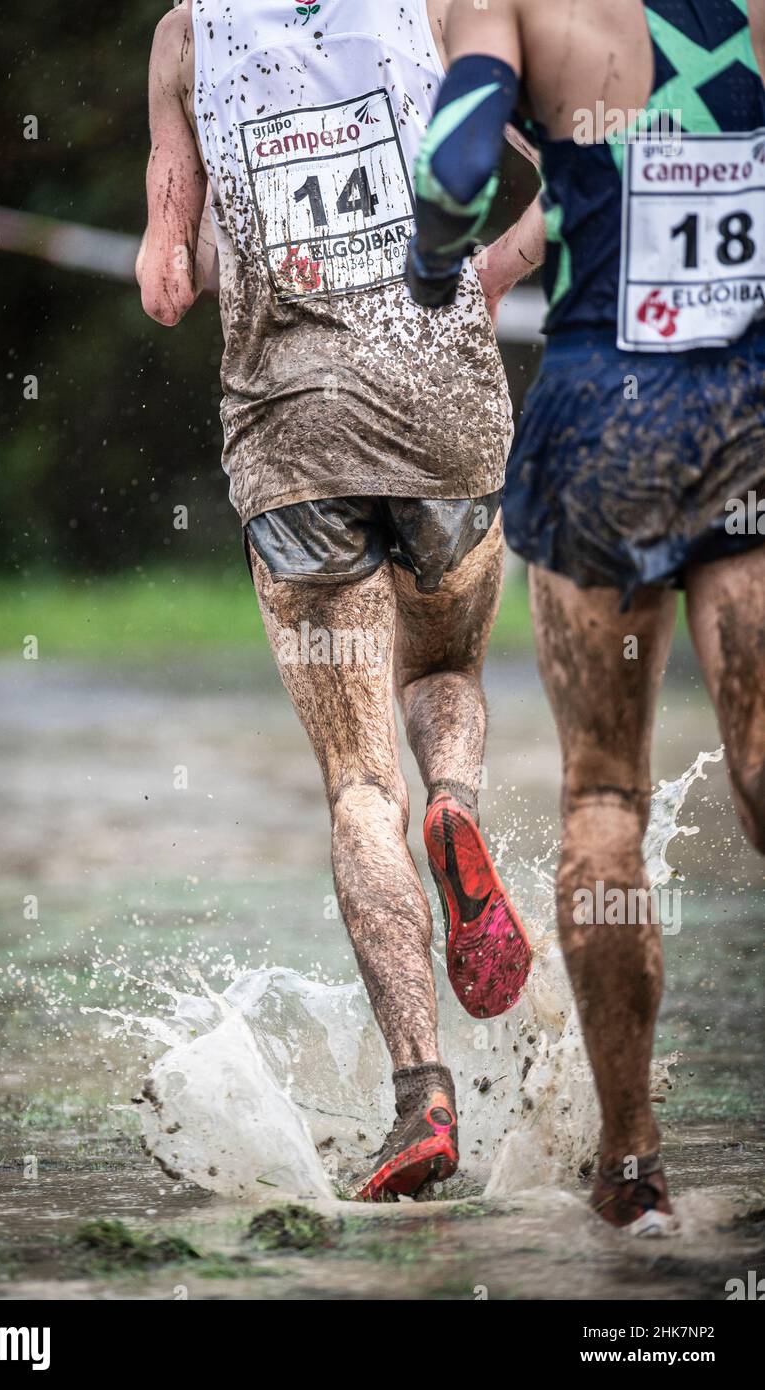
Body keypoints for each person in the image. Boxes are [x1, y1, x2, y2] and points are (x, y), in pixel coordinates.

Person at [137, 0, 541, 1200]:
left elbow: (171, 274)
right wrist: (482, 279)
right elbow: (571, 178)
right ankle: (455, 802)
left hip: (289, 439)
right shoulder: (443, 5)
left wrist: (205, 255)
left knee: (357, 777)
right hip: (440, 409)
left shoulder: (181, 37)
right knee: (444, 673)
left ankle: (420, 1100)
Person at [408, 0, 765, 1232]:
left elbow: (455, 165)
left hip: (601, 413)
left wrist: (433, 252)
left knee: (603, 793)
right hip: (747, 395)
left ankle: (629, 1166)